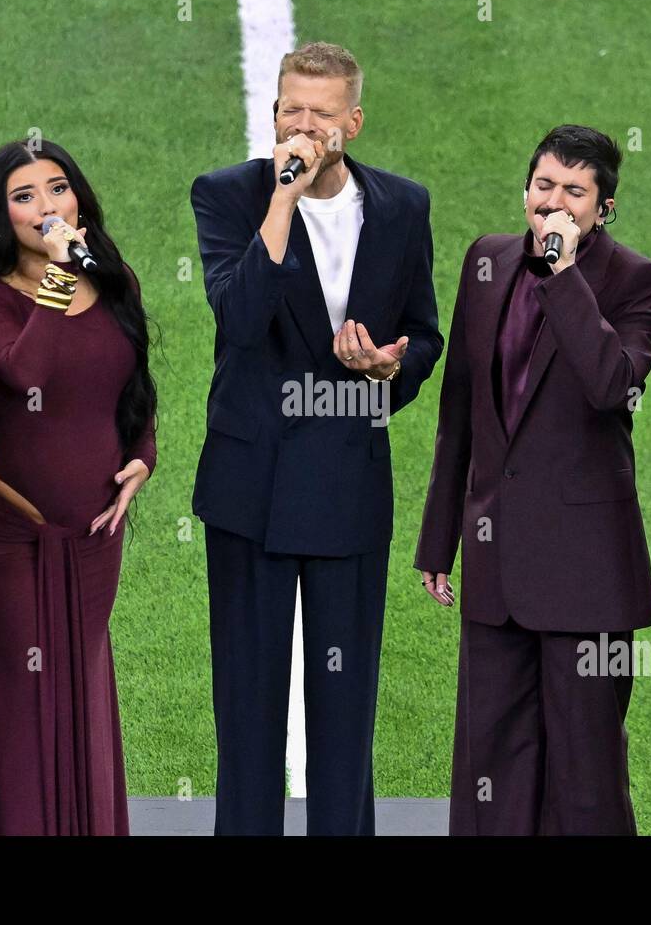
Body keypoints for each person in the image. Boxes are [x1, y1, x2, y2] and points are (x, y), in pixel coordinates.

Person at [189, 41, 443, 834]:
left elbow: (426, 336)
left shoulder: (404, 207)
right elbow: (238, 317)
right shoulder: (228, 196)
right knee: (249, 708)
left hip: (347, 486)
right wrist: (282, 201)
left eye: (320, 115)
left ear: (353, 123)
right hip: (250, 490)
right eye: (289, 109)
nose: (301, 126)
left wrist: (387, 367)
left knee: (345, 714)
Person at [415, 125, 651, 835]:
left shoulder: (637, 281)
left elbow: (609, 385)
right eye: (544, 185)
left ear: (604, 207)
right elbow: (460, 408)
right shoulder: (486, 261)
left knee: (585, 775)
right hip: (495, 562)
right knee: (490, 766)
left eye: (574, 192)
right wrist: (439, 541)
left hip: (588, 571)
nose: (553, 202)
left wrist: (563, 277)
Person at [0, 139, 156, 835]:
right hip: (11, 541)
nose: (47, 206)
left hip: (96, 537)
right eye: (25, 196)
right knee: (25, 698)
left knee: (85, 692)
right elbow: (26, 373)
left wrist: (141, 460)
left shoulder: (116, 278)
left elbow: (133, 385)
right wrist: (61, 275)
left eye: (58, 188)